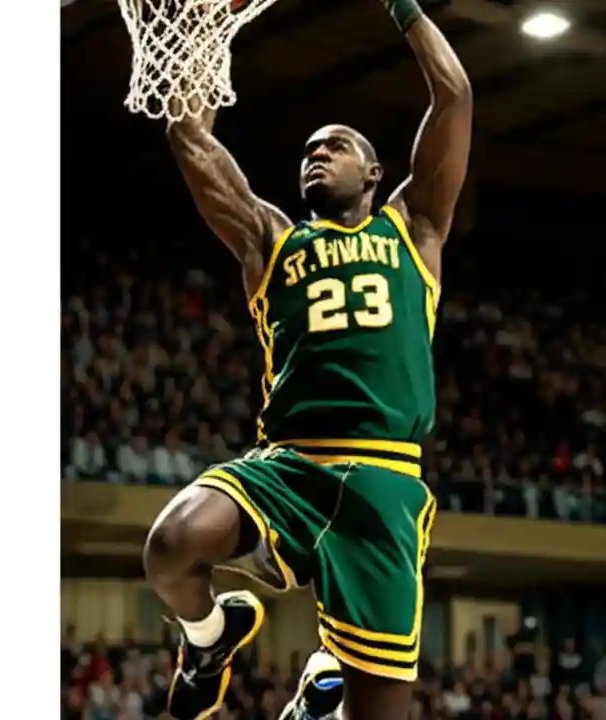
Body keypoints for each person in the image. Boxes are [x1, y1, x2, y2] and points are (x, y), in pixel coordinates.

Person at [143, 0, 472, 716]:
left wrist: (403, 6)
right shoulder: (272, 242)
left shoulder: (414, 231)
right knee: (170, 545)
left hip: (383, 482)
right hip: (288, 465)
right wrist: (200, 35)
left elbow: (454, 94)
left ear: (375, 170)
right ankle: (209, 637)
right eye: (307, 151)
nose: (314, 153)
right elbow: (188, 136)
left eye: (335, 145)